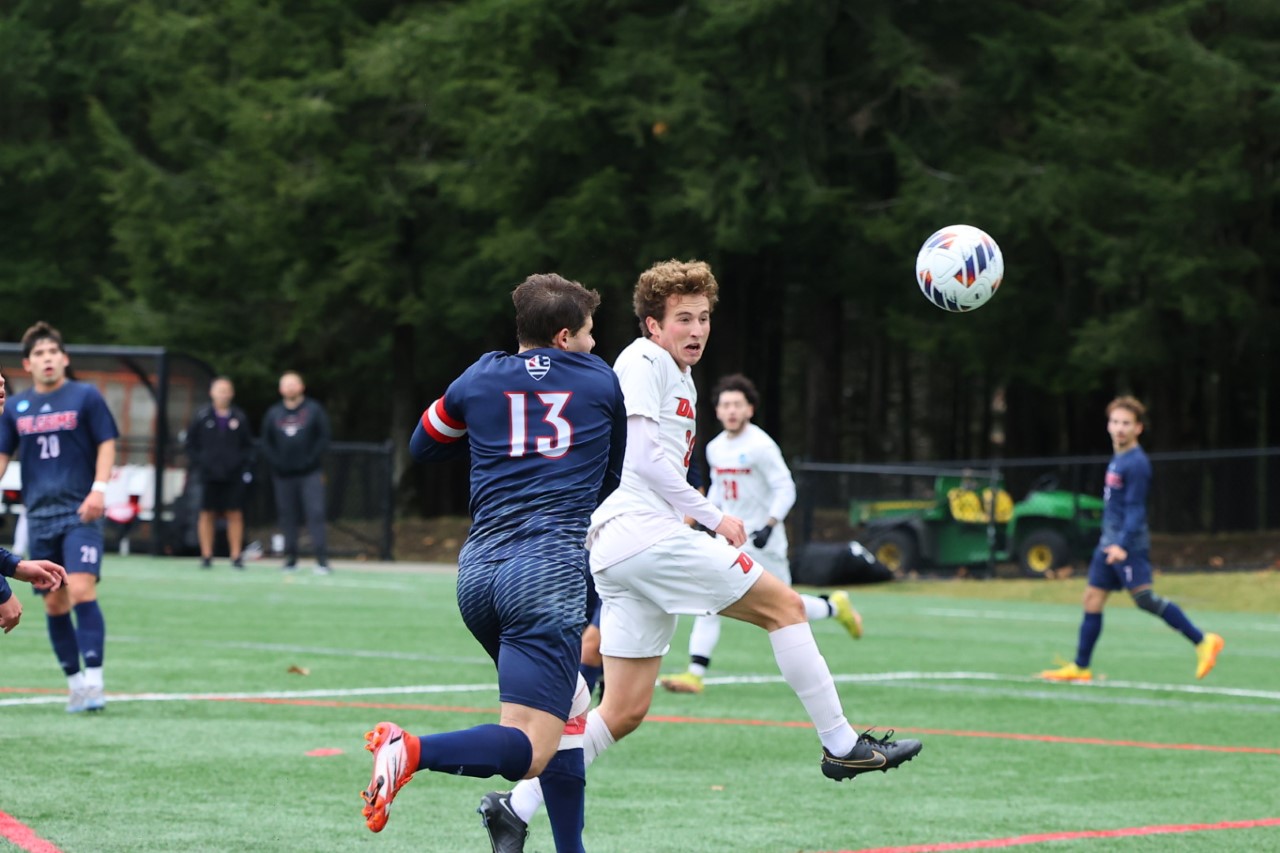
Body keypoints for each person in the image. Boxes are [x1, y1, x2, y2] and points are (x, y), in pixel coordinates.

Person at [483, 260, 921, 851]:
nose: (697, 329)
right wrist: (715, 517)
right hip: (642, 537)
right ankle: (842, 746)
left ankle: (515, 806)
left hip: (629, 547)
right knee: (785, 607)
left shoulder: (678, 375)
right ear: (652, 325)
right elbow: (640, 457)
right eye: (682, 318)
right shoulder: (643, 361)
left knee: (624, 709)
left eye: (705, 317)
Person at [359, 273, 626, 853]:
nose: (594, 345)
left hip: (479, 570)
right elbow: (611, 479)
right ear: (562, 337)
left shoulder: (479, 375)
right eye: (587, 333)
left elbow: (424, 445)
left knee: (570, 713)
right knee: (530, 746)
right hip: (546, 573)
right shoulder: (602, 381)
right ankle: (413, 750)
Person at [661, 373, 863, 695]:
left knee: (789, 605)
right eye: (725, 405)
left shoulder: (761, 445)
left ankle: (834, 607)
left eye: (737, 405)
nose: (731, 411)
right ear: (716, 411)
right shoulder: (714, 448)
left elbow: (786, 489)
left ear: (750, 409)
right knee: (710, 599)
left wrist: (769, 525)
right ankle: (695, 673)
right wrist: (706, 519)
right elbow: (718, 492)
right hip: (728, 540)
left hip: (763, 541)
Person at [1039, 396, 1224, 683]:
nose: (1119, 428)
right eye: (1115, 422)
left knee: (1144, 599)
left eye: (1126, 423)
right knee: (1092, 598)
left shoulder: (1137, 463)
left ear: (1138, 428)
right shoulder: (1119, 457)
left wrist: (1121, 545)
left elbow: (1136, 509)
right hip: (1108, 543)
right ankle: (1081, 667)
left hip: (1127, 545)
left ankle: (1204, 641)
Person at [0, 322, 120, 712]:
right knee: (54, 603)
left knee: (82, 588)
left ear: (65, 359)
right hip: (39, 516)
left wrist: (99, 489)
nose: (47, 359)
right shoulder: (16, 407)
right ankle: (74, 685)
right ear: (27, 364)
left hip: (79, 512)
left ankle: (96, 683)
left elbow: (106, 442)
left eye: (53, 352)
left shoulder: (86, 396)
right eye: (39, 354)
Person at [260, 371, 331, 574]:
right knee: (287, 516)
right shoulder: (273, 413)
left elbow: (323, 437)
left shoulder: (314, 410)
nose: (290, 388)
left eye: (294, 384)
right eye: (286, 384)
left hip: (310, 473)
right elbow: (266, 442)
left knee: (315, 513)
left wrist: (309, 461)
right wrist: (277, 462)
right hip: (283, 475)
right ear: (281, 389)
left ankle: (321, 560)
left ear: (302, 386)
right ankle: (290, 559)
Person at [186, 376, 254, 569]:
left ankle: (235, 556)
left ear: (232, 393)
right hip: (208, 474)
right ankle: (206, 555)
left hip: (232, 474)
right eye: (219, 390)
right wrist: (202, 463)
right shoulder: (202, 416)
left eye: (226, 390)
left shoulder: (239, 417)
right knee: (207, 513)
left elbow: (247, 446)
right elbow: (191, 444)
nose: (223, 394)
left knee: (234, 513)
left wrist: (239, 464)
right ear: (211, 392)